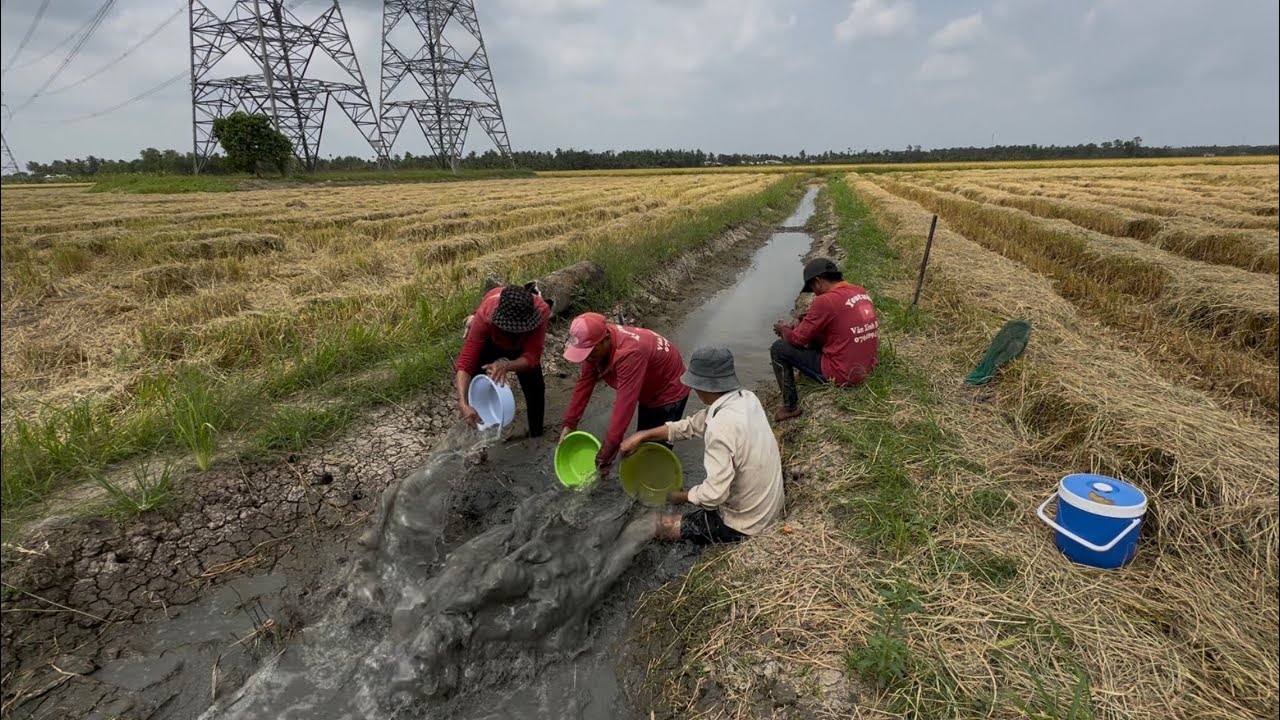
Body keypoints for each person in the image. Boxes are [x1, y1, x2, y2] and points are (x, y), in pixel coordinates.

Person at [620, 347, 784, 545]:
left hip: (746, 525)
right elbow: (689, 426)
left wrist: (676, 496)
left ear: (703, 386)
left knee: (646, 525)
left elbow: (714, 496)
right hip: (770, 508)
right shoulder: (747, 399)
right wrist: (642, 435)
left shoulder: (720, 428)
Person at [560, 312, 689, 473]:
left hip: (668, 390)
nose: (588, 359)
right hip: (648, 385)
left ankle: (655, 488)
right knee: (640, 441)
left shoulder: (629, 354)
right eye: (584, 354)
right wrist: (569, 424)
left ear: (605, 339)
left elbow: (624, 407)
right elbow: (584, 384)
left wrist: (606, 453)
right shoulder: (593, 348)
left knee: (652, 448)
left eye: (590, 353)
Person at [770, 257, 879, 422]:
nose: (814, 293)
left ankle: (790, 407)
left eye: (813, 288)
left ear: (818, 281)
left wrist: (784, 329)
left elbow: (797, 339)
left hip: (843, 375)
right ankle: (804, 375)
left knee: (779, 348)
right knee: (817, 330)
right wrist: (804, 319)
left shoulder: (825, 300)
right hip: (865, 368)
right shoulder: (859, 291)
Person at [455, 283, 552, 437]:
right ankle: (478, 433)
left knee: (535, 388)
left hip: (523, 345)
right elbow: (466, 362)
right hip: (492, 339)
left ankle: (536, 434)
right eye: (510, 330)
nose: (513, 332)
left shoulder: (541, 311)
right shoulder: (485, 316)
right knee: (473, 380)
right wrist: (462, 401)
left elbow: (532, 357)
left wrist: (507, 365)